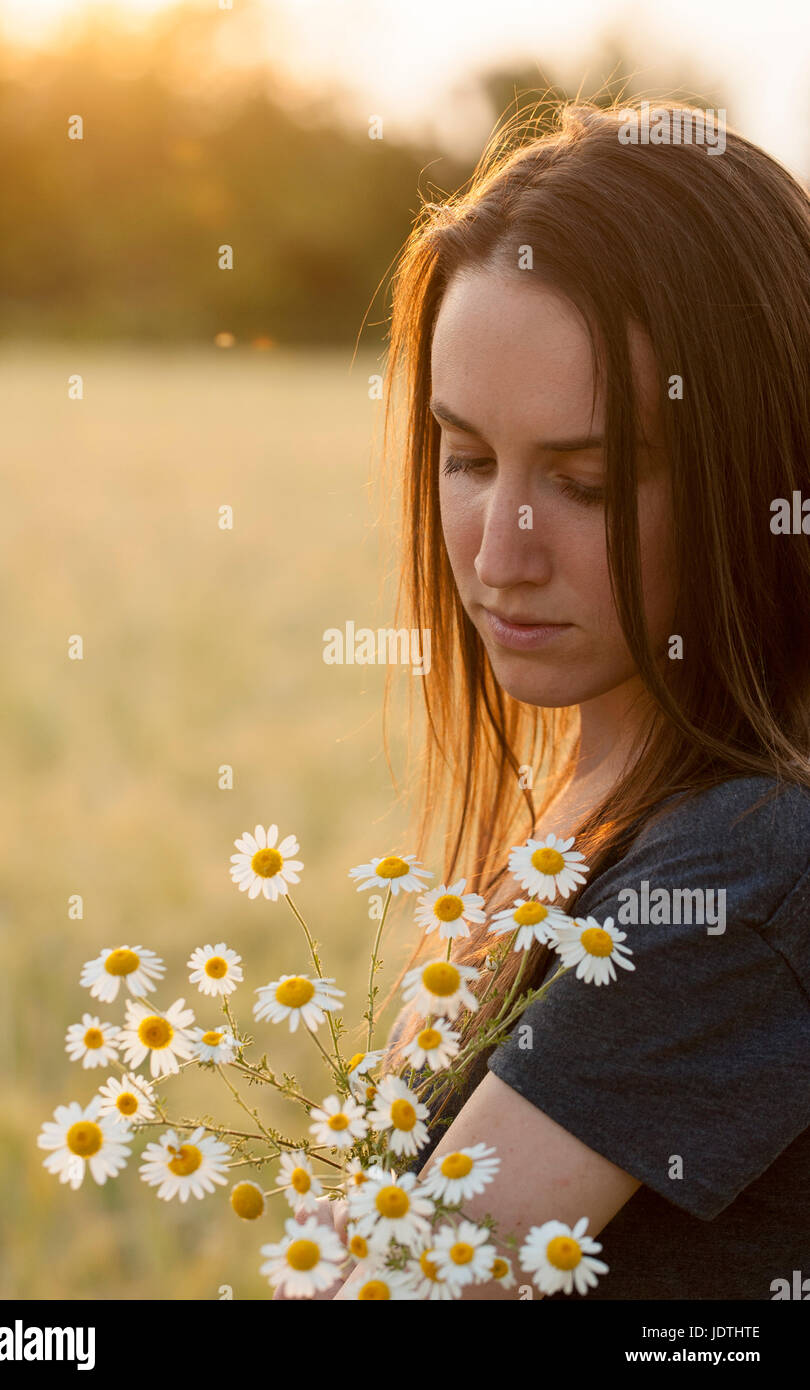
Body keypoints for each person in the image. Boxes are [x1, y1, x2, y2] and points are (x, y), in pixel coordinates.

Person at [303, 98, 810, 1301]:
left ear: (759, 475)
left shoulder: (746, 868)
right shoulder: (596, 808)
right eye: (467, 459)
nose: (497, 554)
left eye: (583, 482)